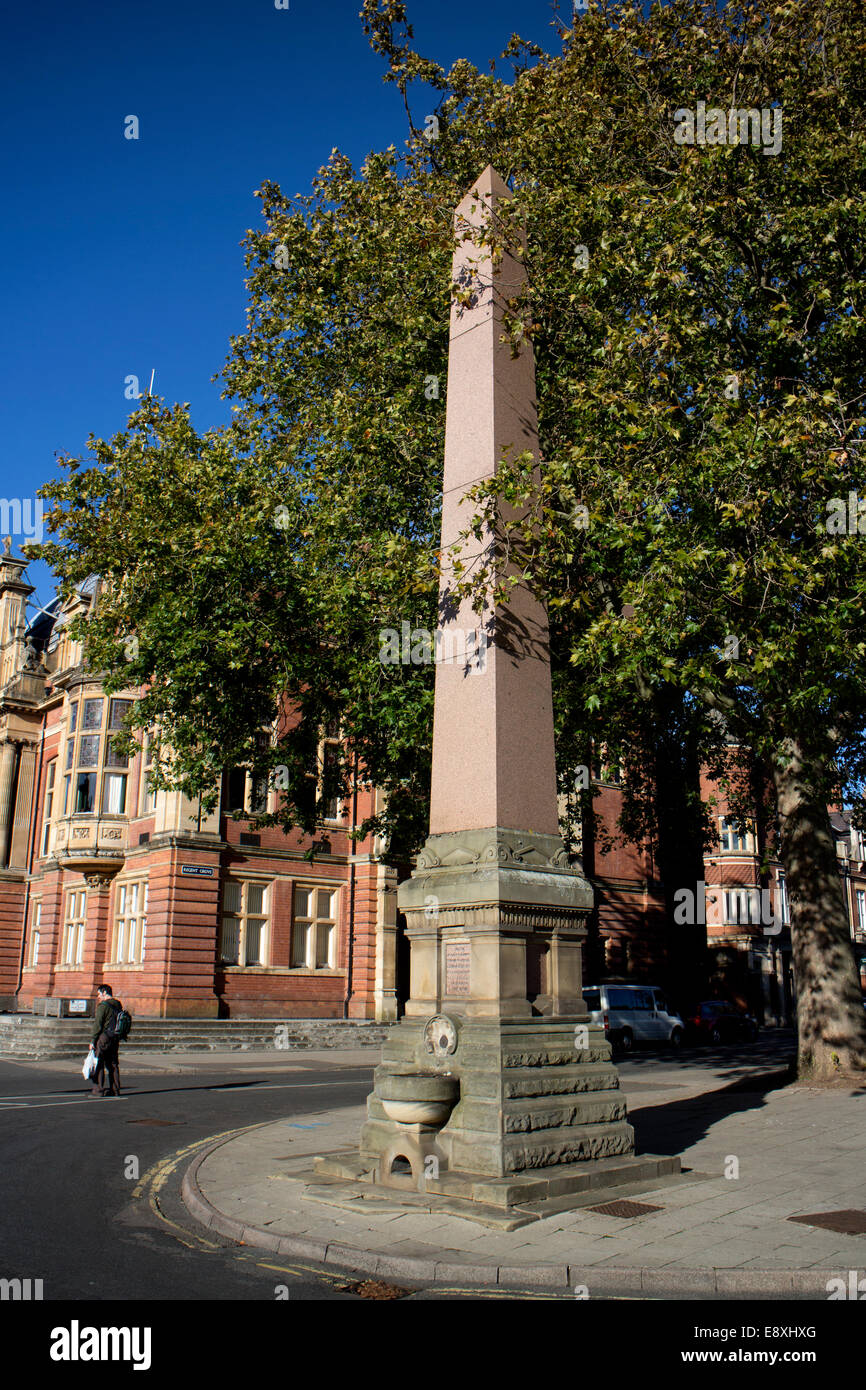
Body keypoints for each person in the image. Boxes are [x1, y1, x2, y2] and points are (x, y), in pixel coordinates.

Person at [89, 984, 123, 1097]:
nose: (98, 996)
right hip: (115, 1037)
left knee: (99, 1063)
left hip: (104, 1037)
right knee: (113, 1064)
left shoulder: (102, 1006)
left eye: (99, 994)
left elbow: (98, 1024)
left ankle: (98, 1090)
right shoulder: (118, 1004)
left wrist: (93, 1040)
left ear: (104, 993)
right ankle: (115, 1089)